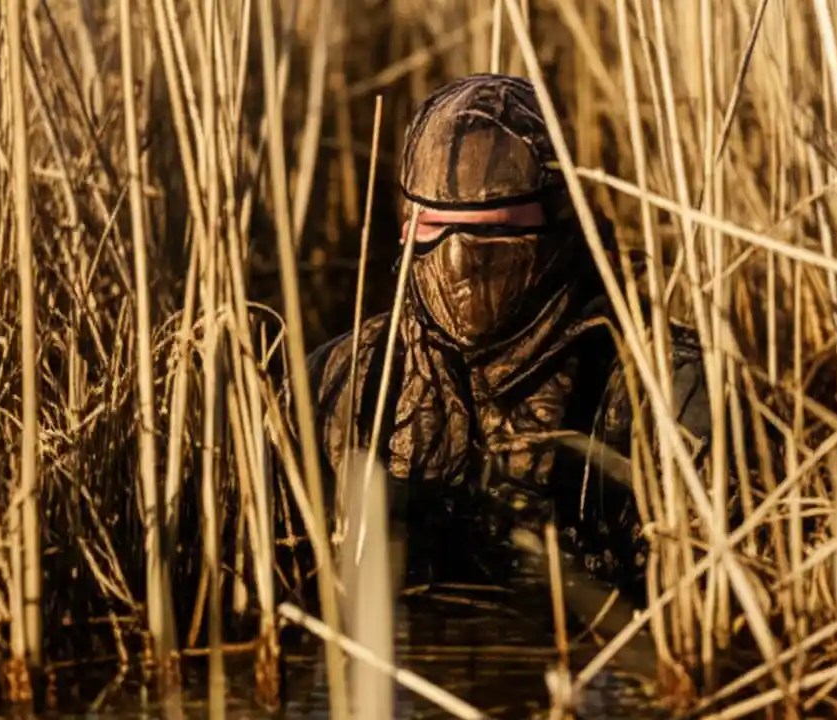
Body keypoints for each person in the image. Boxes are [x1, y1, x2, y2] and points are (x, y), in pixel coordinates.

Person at [301, 74, 709, 606]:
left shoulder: (664, 392)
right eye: (433, 227)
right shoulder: (346, 382)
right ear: (404, 229)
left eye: (492, 228)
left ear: (560, 223)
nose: (460, 256)